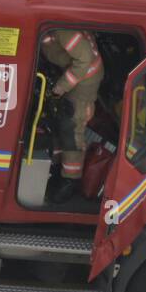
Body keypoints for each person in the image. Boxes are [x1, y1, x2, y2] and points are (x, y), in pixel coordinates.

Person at [40, 28, 103, 203]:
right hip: (74, 74)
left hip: (84, 83)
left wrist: (61, 86)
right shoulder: (53, 26)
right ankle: (58, 167)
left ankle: (70, 181)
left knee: (72, 130)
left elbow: (84, 60)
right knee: (60, 124)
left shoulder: (66, 31)